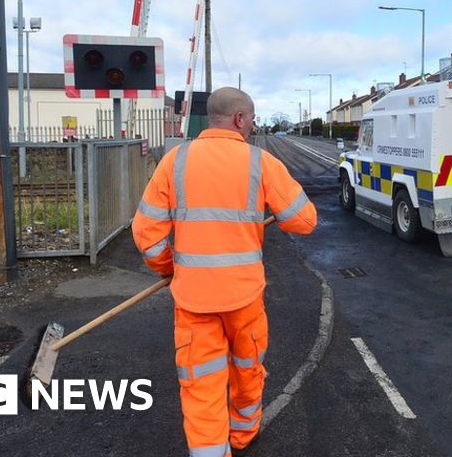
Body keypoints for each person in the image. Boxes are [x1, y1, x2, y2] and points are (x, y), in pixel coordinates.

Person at [132, 87, 317, 457]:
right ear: (238, 118)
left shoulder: (175, 161)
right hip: (244, 298)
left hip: (193, 299)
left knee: (200, 384)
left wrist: (169, 268)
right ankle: (244, 434)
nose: (252, 126)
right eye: (251, 120)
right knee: (247, 369)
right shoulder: (260, 162)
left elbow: (146, 234)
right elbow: (305, 221)